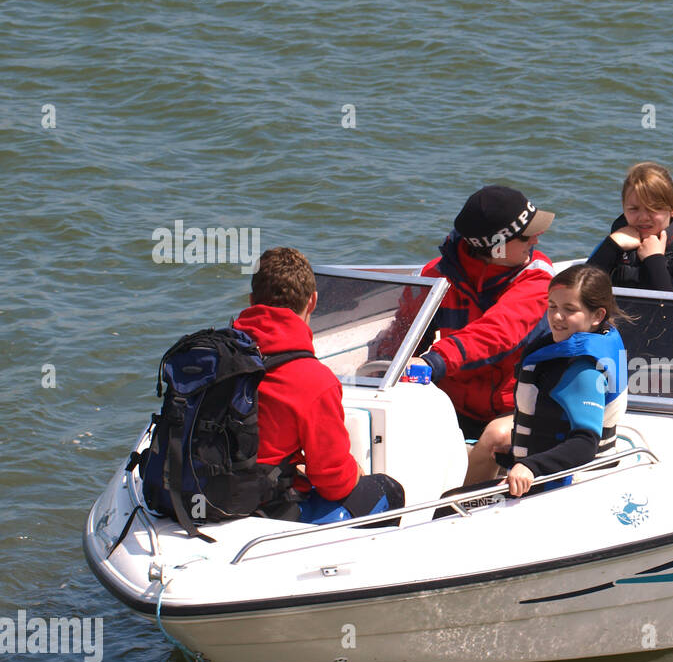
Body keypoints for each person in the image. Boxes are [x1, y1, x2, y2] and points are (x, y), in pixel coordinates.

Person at [233, 247, 405, 522]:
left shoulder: (216, 356)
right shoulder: (312, 380)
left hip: (203, 496)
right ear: (313, 301)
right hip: (264, 510)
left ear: (252, 300)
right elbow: (334, 481)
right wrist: (356, 471)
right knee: (386, 489)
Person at [465, 265, 629, 496]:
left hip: (564, 483)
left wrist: (531, 465)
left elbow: (585, 443)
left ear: (597, 316)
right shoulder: (587, 340)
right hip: (545, 470)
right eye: (552, 306)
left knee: (448, 507)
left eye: (569, 309)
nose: (557, 317)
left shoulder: (583, 370)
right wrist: (519, 451)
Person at [416, 185, 556, 438]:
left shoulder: (538, 276)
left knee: (494, 438)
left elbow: (497, 332)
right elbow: (404, 335)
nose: (536, 240)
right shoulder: (435, 277)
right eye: (526, 236)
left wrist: (434, 361)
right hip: (452, 405)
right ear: (497, 246)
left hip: (516, 409)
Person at [586, 162, 673, 294]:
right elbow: (577, 292)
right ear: (623, 207)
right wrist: (610, 246)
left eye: (654, 208)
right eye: (634, 209)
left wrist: (654, 259)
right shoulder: (616, 243)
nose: (643, 217)